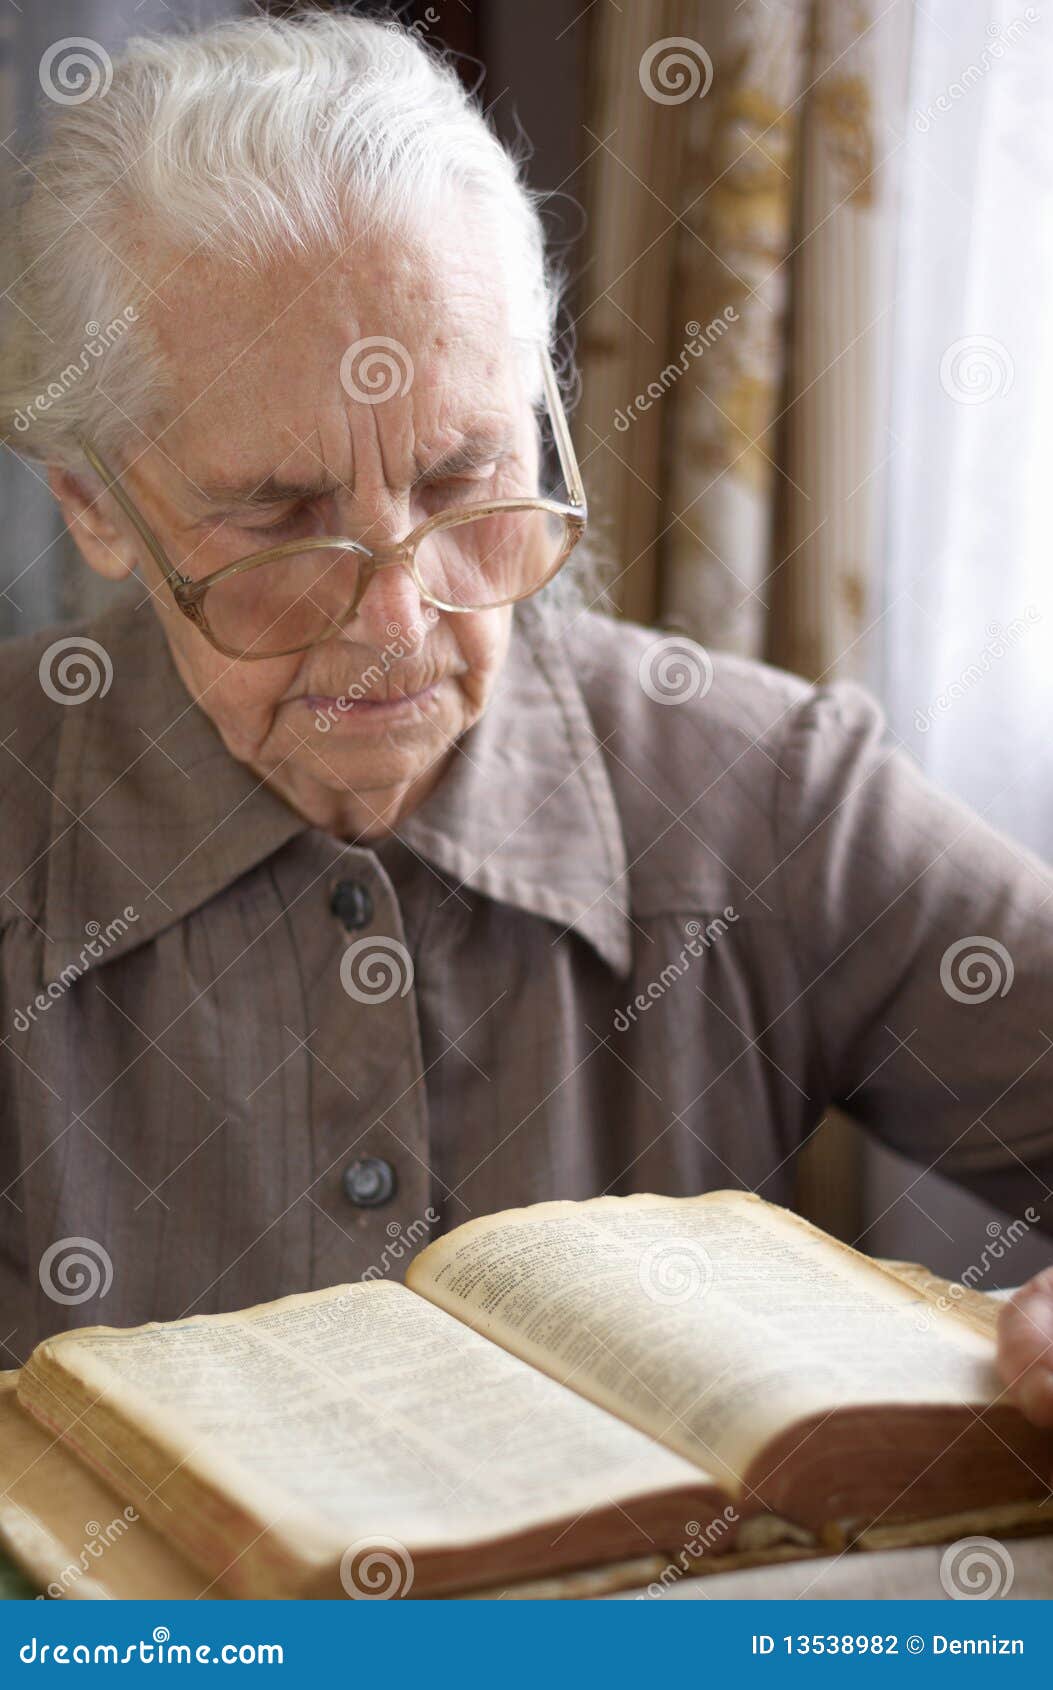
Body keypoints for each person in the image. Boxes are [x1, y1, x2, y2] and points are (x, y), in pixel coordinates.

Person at [0, 14, 1049, 1432]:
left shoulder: (755, 785)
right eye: (277, 519)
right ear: (91, 505)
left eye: (461, 477)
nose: (398, 619)